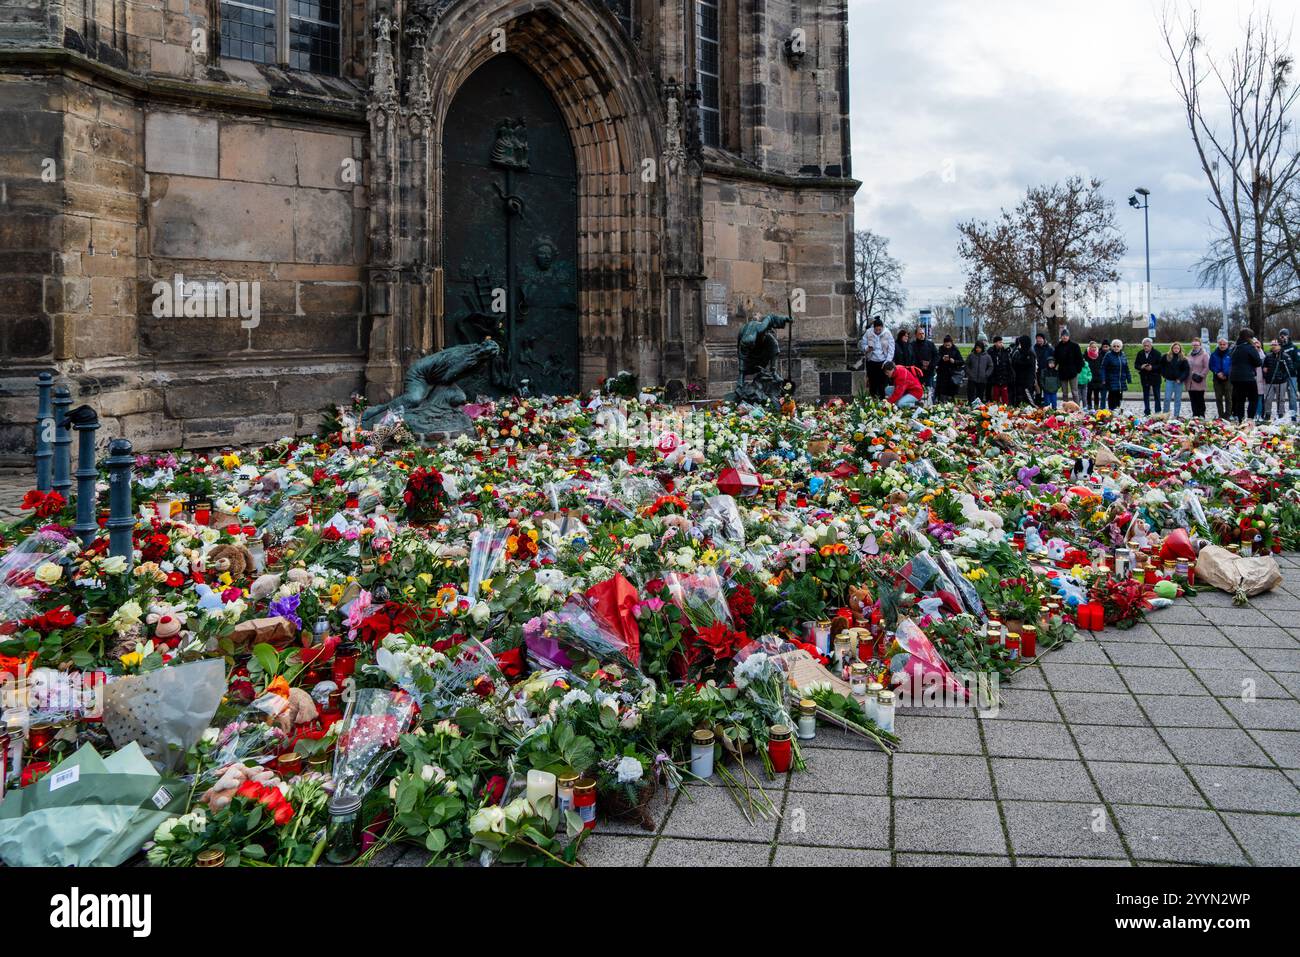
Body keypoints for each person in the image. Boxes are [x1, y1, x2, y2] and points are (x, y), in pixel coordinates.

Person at [1229, 328, 1262, 422]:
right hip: (1247, 377)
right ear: (1249, 338)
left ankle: (1240, 419)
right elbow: (1258, 362)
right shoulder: (1250, 347)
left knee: (1240, 399)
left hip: (1235, 377)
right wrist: (1256, 350)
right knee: (1253, 398)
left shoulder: (1235, 347)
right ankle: (1250, 419)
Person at [860, 317, 894, 398]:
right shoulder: (868, 332)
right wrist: (867, 348)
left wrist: (888, 361)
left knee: (883, 384)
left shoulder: (887, 333)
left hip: (883, 361)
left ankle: (883, 401)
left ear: (882, 328)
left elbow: (891, 348)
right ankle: (872, 400)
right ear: (873, 328)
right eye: (876, 330)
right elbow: (863, 344)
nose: (878, 331)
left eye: (880, 330)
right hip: (871, 360)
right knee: (872, 382)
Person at [1263, 339, 1292, 421]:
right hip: (1270, 381)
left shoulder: (1285, 356)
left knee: (1281, 399)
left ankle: (1280, 414)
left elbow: (1290, 368)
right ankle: (1267, 414)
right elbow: (1264, 368)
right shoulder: (1268, 356)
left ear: (1279, 345)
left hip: (1281, 382)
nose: (1273, 346)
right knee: (1268, 398)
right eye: (1272, 345)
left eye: (1275, 345)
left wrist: (1283, 376)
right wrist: (1266, 376)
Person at [1161, 341, 1190, 417]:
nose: (1176, 349)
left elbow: (1186, 370)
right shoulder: (1166, 356)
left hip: (1178, 382)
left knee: (1177, 400)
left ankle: (1176, 416)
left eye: (1177, 348)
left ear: (1180, 349)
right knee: (1167, 398)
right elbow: (1161, 366)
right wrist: (1164, 375)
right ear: (1172, 348)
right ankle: (1165, 415)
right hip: (1169, 380)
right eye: (1174, 348)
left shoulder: (1183, 359)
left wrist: (1181, 379)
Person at [1054, 328, 1084, 404]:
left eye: (1066, 335)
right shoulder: (1058, 346)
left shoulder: (1075, 346)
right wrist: (1055, 368)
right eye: (1063, 336)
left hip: (1073, 372)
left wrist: (1078, 369)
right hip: (1062, 372)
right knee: (1064, 393)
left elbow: (1080, 358)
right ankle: (1065, 409)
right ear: (1061, 337)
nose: (1064, 337)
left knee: (1074, 392)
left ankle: (1077, 408)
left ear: (1069, 336)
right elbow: (1055, 359)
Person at [1136, 337, 1164, 414]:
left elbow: (1161, 366)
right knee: (1146, 395)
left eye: (1147, 345)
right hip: (1144, 377)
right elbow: (1136, 365)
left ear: (1151, 345)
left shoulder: (1157, 353)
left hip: (1155, 376)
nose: (1146, 347)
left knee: (1157, 395)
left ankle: (1158, 411)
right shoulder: (1140, 353)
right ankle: (1147, 411)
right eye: (1144, 345)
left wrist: (1152, 367)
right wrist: (1141, 367)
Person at [1101, 339, 1131, 411]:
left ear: (1120, 347)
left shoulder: (1123, 355)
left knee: (1119, 397)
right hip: (1111, 380)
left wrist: (1128, 377)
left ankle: (1117, 412)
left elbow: (1126, 367)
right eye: (1114, 346)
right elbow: (1103, 368)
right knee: (1112, 397)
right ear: (1111, 347)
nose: (1116, 348)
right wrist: (1103, 378)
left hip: (1121, 381)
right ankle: (1112, 411)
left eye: (1118, 346)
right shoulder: (1108, 355)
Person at [934, 335, 964, 402]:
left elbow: (962, 362)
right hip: (942, 376)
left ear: (951, 343)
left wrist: (954, 361)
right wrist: (942, 359)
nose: (947, 346)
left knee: (951, 395)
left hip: (952, 376)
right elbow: (936, 361)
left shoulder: (955, 350)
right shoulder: (940, 350)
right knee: (942, 394)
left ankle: (951, 404)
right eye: (946, 345)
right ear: (944, 343)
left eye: (949, 345)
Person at [1011, 334, 1037, 406]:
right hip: (1019, 380)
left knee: (1029, 400)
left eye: (1020, 343)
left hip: (1027, 382)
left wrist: (1018, 361)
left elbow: (1024, 364)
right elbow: (1014, 364)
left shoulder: (1030, 353)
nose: (1019, 345)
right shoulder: (1018, 352)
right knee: (1019, 399)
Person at [1209, 337, 1233, 419]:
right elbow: (1211, 365)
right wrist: (1217, 372)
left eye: (1224, 344)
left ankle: (1228, 415)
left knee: (1228, 398)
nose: (1222, 346)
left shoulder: (1231, 354)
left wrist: (1225, 373)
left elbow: (1232, 366)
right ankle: (1221, 415)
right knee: (1218, 398)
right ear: (1218, 344)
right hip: (1217, 379)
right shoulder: (1214, 354)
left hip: (1228, 379)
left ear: (1227, 345)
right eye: (1220, 344)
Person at [1187, 339, 1210, 419]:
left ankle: (1201, 415)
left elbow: (1207, 367)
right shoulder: (1189, 354)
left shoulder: (1204, 355)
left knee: (1200, 399)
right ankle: (1195, 414)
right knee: (1193, 399)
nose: (1195, 346)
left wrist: (1201, 375)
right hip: (1190, 381)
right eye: (1193, 345)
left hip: (1199, 380)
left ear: (1200, 345)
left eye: (1197, 345)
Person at [913, 327, 938, 399]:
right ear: (916, 335)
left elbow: (936, 356)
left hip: (929, 372)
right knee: (917, 392)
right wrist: (921, 364)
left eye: (923, 333)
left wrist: (930, 364)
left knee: (929, 391)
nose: (921, 335)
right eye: (919, 334)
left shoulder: (930, 344)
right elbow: (912, 358)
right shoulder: (912, 345)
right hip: (917, 373)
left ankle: (930, 406)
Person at [1280, 328, 1300, 421]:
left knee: (1292, 395)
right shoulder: (1280, 348)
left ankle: (1293, 415)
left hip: (1292, 376)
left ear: (1288, 336)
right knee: (1281, 396)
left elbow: (1298, 362)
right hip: (1282, 376)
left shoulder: (1294, 347)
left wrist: (1290, 368)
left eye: (1284, 335)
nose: (1282, 337)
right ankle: (1281, 415)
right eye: (1281, 335)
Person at [989, 338, 1013, 405]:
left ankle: (1006, 409)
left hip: (1004, 378)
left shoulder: (1005, 352)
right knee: (995, 397)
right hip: (995, 379)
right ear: (995, 343)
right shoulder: (991, 352)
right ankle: (995, 410)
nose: (1001, 344)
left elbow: (1008, 365)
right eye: (999, 342)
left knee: (1005, 397)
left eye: (1002, 342)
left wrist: (1009, 376)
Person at [1084, 340, 1105, 410]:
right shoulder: (1085, 355)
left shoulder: (1100, 355)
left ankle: (1096, 407)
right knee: (1089, 393)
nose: (1093, 348)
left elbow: (1102, 365)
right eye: (1092, 347)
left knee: (1096, 394)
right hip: (1089, 376)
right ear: (1089, 347)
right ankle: (1089, 406)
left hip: (1097, 377)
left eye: (1095, 347)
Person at [1032, 332, 1054, 402]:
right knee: (1038, 390)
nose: (1039, 340)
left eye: (1040, 338)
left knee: (1046, 390)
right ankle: (1037, 404)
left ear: (1044, 339)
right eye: (1037, 338)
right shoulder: (1034, 348)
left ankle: (1047, 405)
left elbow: (1054, 359)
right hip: (1037, 372)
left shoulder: (1049, 348)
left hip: (1046, 372)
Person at [1252, 338, 1267, 418]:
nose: (1256, 348)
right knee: (1252, 399)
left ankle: (1259, 415)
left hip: (1261, 379)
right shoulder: (1249, 354)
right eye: (1254, 346)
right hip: (1252, 379)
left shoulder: (1263, 355)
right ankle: (1252, 415)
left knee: (1260, 398)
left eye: (1258, 347)